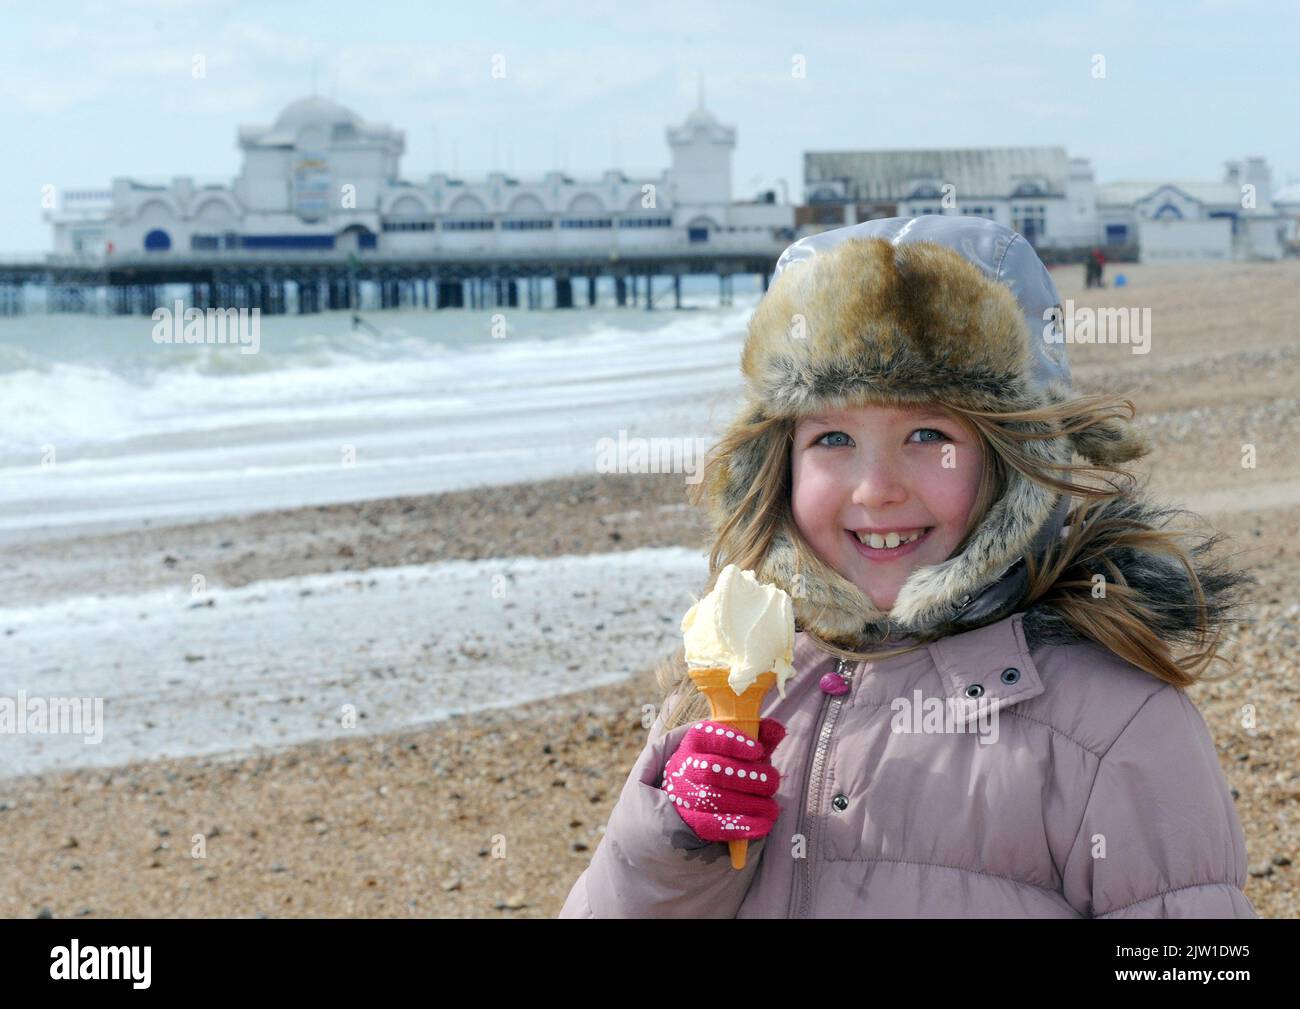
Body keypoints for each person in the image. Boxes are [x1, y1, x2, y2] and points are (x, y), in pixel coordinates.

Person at [558, 215, 1257, 919]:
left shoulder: (1113, 727)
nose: (876, 488)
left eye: (928, 434)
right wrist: (672, 844)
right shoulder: (736, 691)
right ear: (775, 466)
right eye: (832, 437)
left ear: (1018, 460)